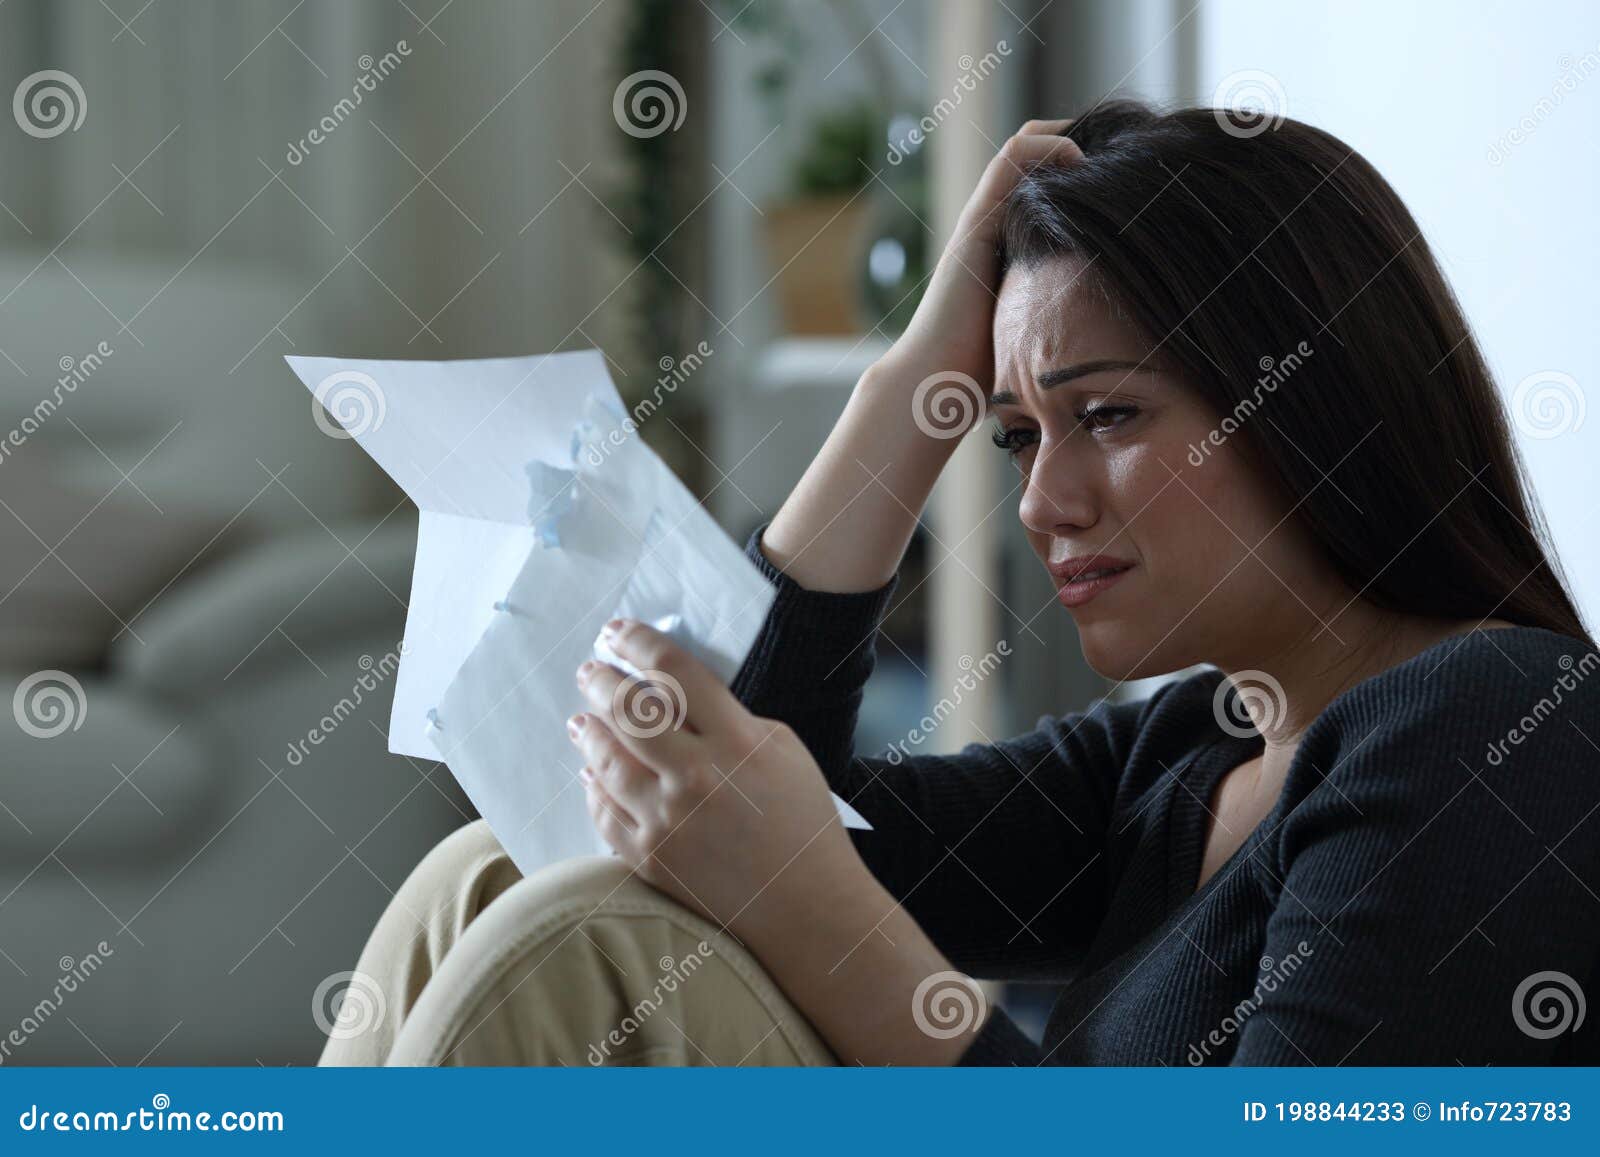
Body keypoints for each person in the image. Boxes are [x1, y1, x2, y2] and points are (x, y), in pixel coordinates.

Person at [322, 102, 1600, 1067]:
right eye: (1013, 436)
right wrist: (914, 380)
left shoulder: (1498, 724)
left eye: (1107, 413)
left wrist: (815, 904)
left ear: (1309, 397)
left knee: (581, 940)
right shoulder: (1191, 750)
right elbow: (743, 776)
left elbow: (786, 852)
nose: (1043, 502)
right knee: (486, 875)